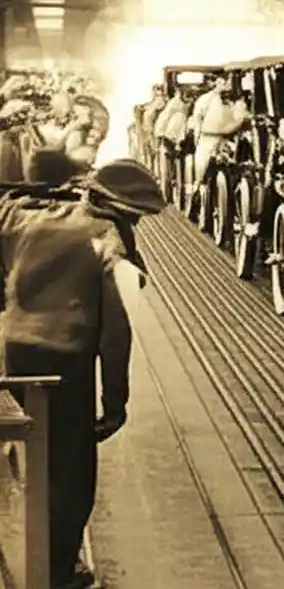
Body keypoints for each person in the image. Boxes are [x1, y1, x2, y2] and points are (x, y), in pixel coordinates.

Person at [0, 159, 165, 589]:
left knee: (32, 456)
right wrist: (115, 405)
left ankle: (34, 552)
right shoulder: (107, 241)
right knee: (71, 472)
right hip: (65, 364)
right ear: (120, 211)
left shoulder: (26, 215)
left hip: (16, 354)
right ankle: (58, 572)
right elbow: (115, 334)